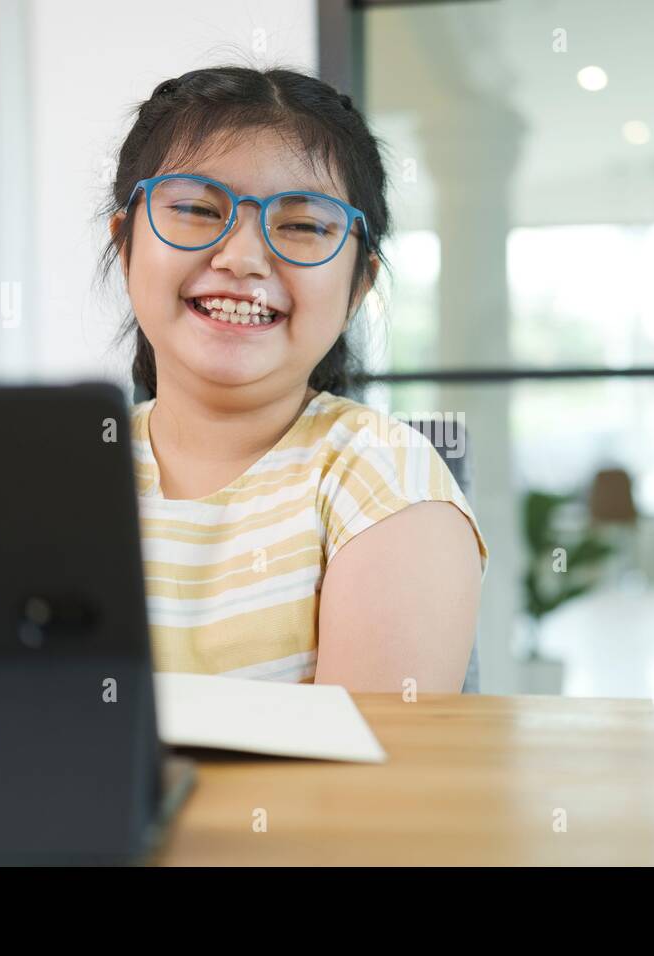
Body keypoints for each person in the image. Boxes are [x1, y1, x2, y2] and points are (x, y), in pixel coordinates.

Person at [101, 66, 488, 692]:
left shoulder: (386, 480)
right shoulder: (54, 471)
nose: (243, 259)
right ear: (127, 250)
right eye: (198, 209)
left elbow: (366, 782)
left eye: (303, 225)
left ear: (358, 284)